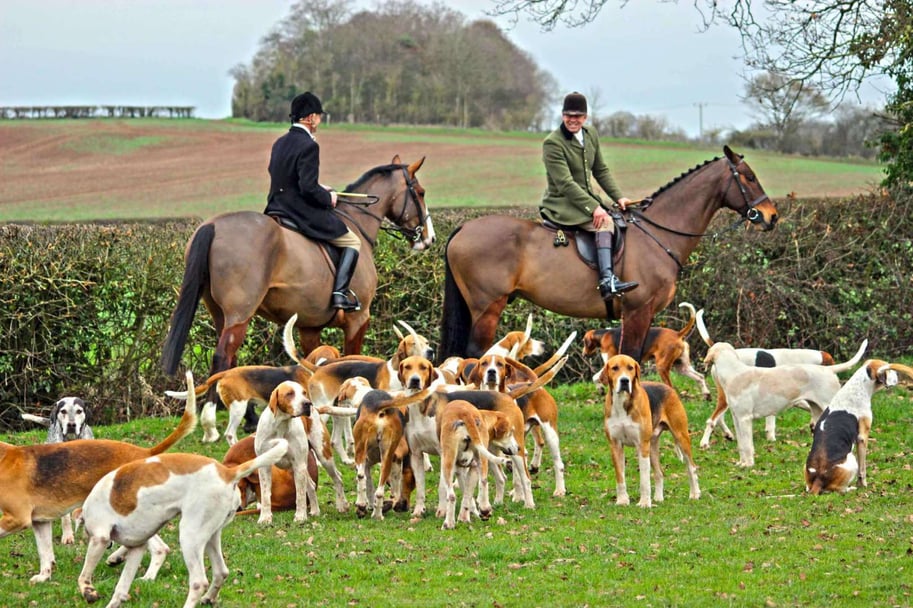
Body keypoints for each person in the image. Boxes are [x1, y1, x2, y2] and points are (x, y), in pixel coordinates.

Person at [264, 91, 362, 311]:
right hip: (297, 211)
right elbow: (307, 189)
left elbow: (287, 178)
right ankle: (339, 294)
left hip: (275, 207)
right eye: (318, 115)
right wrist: (329, 197)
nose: (320, 119)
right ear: (309, 118)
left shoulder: (279, 142)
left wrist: (320, 186)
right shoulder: (309, 145)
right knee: (352, 242)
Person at [540, 91, 638, 299]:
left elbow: (600, 170)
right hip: (562, 203)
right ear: (562, 115)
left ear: (585, 117)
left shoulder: (590, 134)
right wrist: (594, 208)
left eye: (577, 116)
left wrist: (619, 197)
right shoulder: (553, 143)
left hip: (584, 198)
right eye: (568, 115)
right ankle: (607, 281)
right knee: (605, 223)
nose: (572, 120)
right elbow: (565, 184)